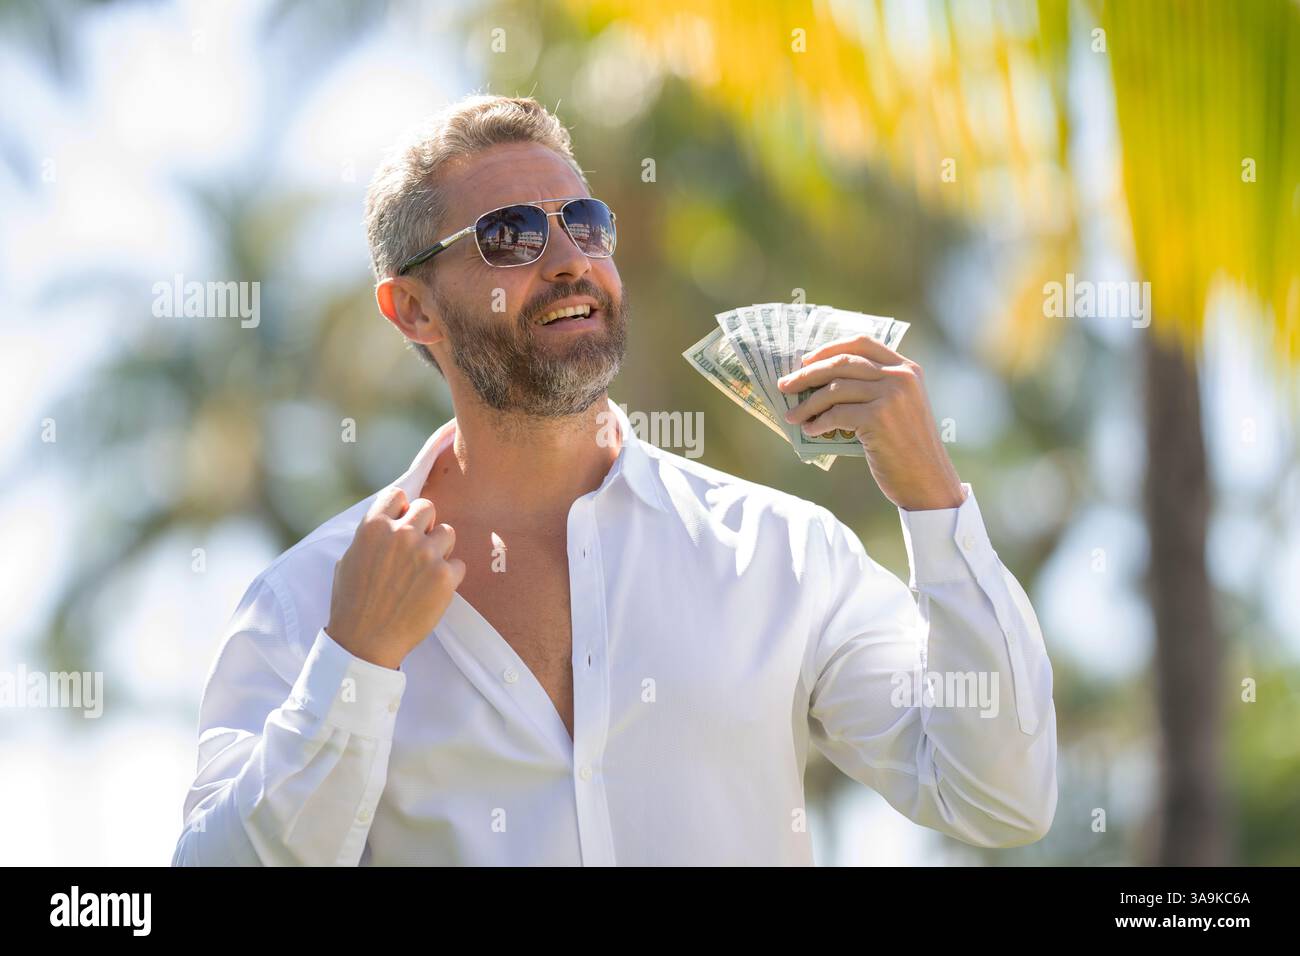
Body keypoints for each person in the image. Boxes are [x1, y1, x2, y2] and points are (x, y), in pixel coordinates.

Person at [171, 94, 1056, 866]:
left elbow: (998, 797)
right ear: (412, 307)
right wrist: (354, 666)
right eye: (510, 235)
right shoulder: (309, 604)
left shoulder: (783, 556)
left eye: (584, 223)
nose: (567, 261)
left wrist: (934, 503)